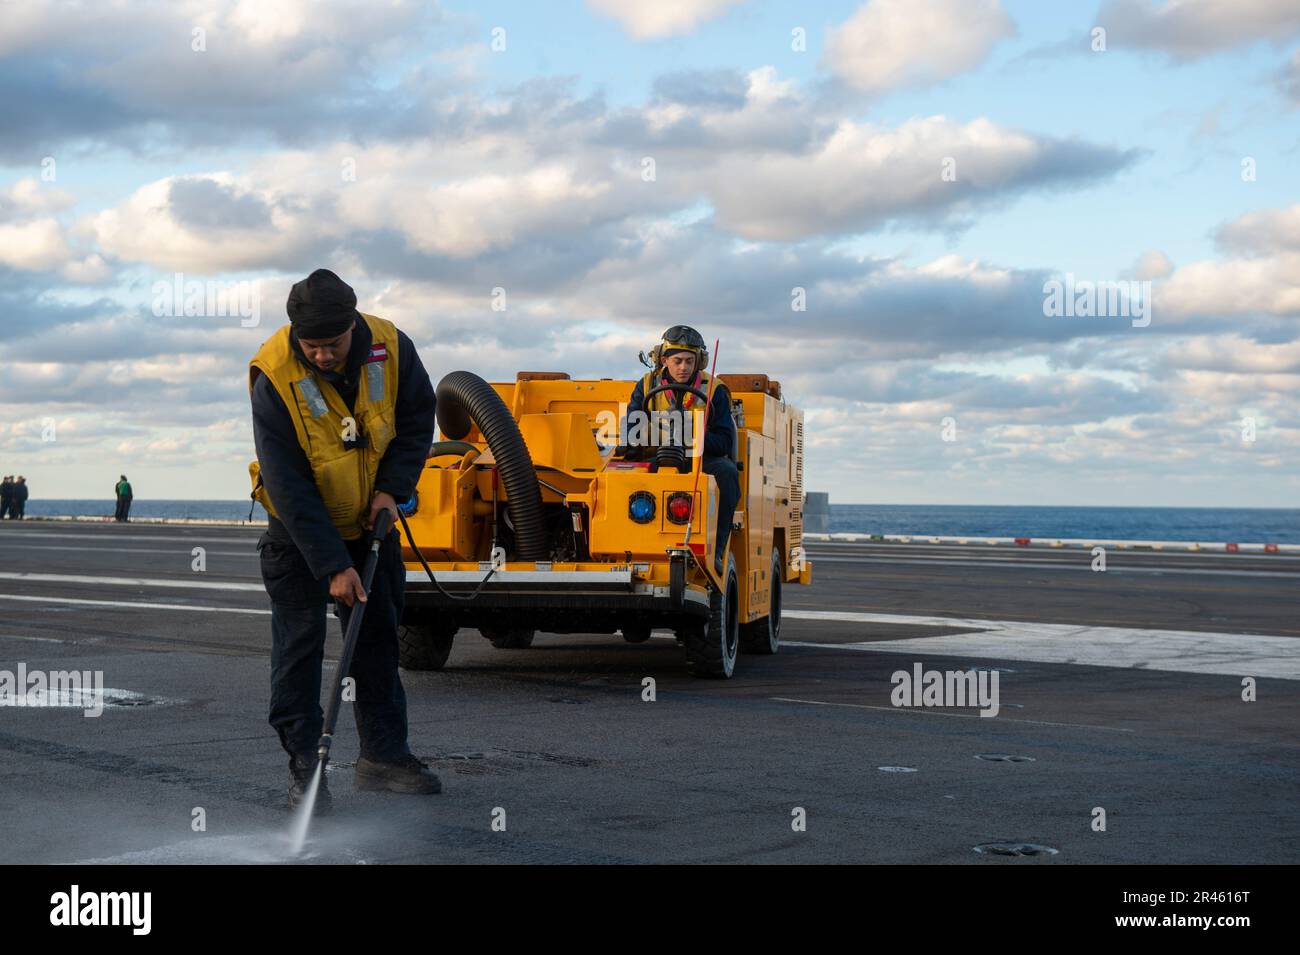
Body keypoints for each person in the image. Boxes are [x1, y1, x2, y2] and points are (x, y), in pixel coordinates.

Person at [248, 268, 440, 812]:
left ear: (353, 327)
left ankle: (384, 756)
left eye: (332, 345)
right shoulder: (274, 376)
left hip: (369, 523)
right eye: (313, 347)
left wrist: (392, 490)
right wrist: (332, 563)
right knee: (298, 651)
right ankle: (305, 769)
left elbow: (415, 419)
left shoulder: (393, 347)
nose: (324, 356)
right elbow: (286, 483)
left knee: (376, 640)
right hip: (299, 536)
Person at [625, 325, 739, 574]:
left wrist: (691, 432)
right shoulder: (645, 386)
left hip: (702, 460)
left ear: (699, 362)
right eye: (677, 361)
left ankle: (717, 551)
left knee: (728, 474)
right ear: (664, 360)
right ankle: (631, 548)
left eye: (690, 361)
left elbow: (723, 442)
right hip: (659, 459)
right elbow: (631, 431)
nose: (683, 367)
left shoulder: (716, 390)